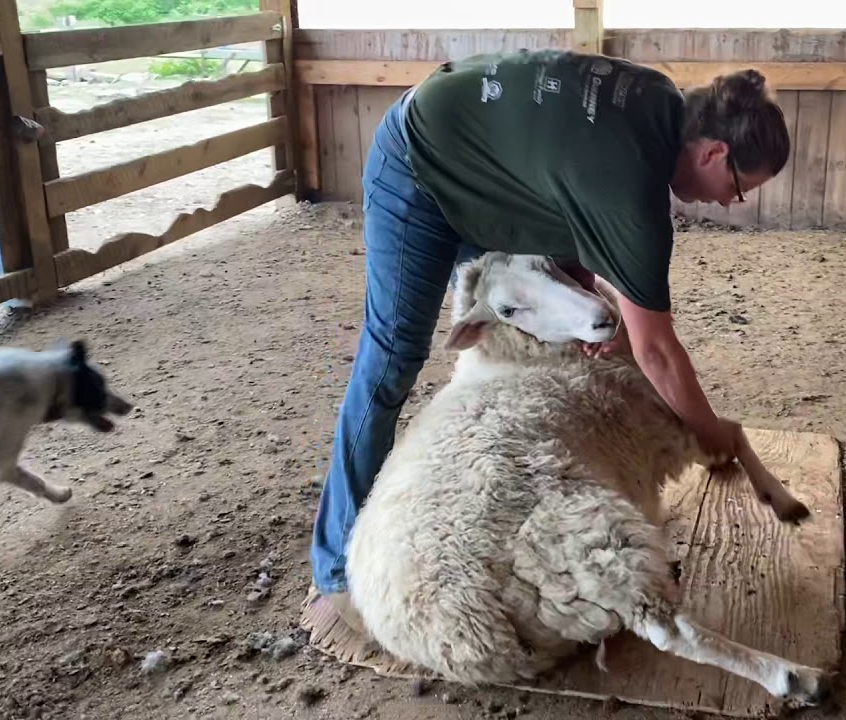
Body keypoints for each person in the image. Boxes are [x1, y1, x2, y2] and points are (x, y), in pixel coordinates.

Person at [308, 49, 793, 630]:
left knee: (534, 324)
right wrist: (709, 433)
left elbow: (570, 202)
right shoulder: (633, 190)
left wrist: (581, 292)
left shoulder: (660, 103)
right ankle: (335, 566)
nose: (727, 203)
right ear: (714, 152)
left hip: (492, 166)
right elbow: (657, 350)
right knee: (393, 358)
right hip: (420, 164)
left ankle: (493, 509)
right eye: (737, 188)